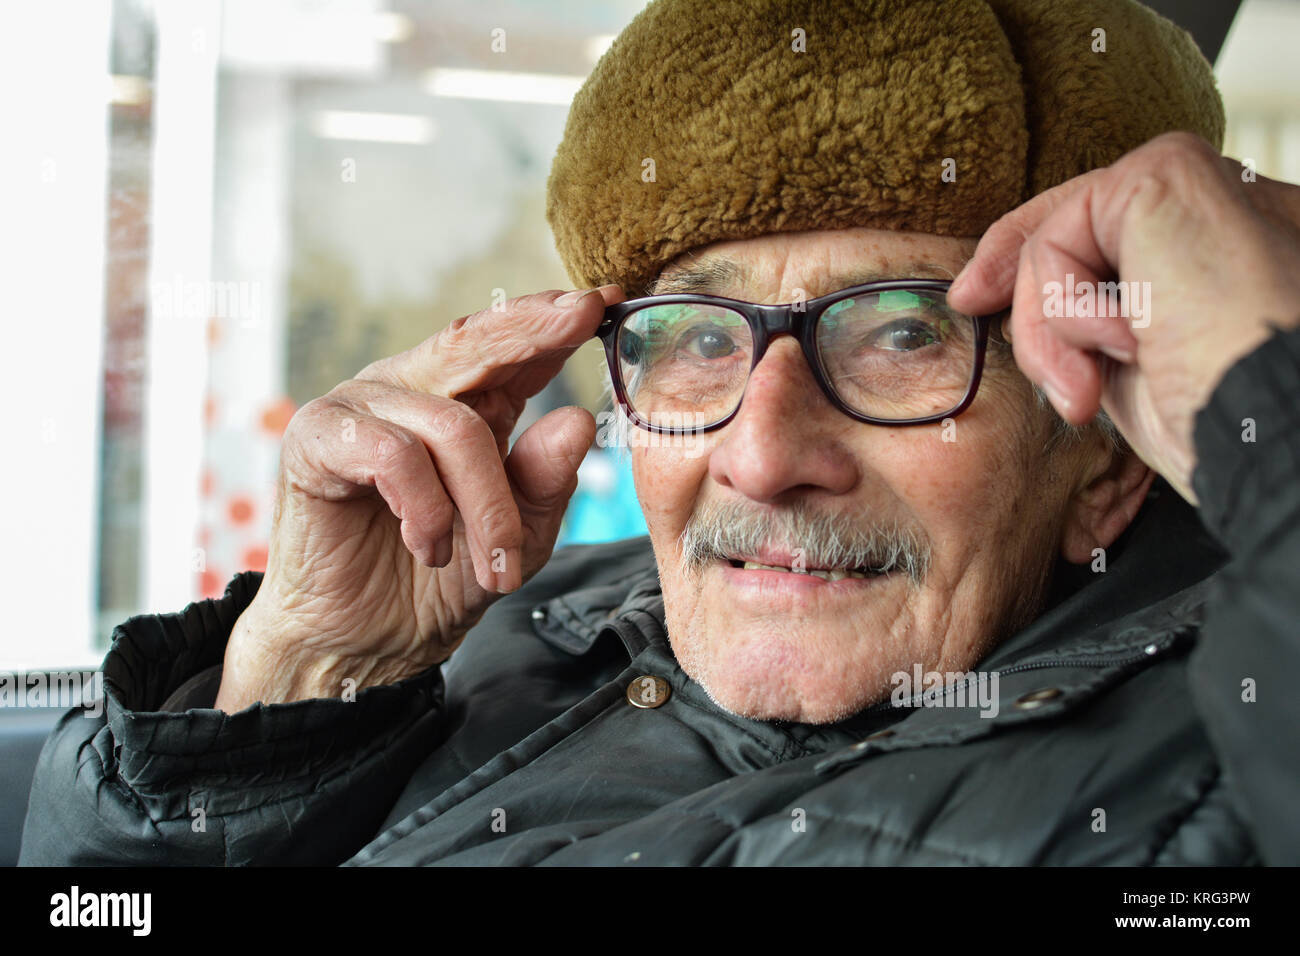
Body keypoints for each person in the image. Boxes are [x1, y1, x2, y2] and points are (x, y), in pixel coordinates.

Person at [21, 0, 1300, 865]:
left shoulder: (1224, 767)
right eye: (696, 336)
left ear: (1108, 455)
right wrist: (292, 686)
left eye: (904, 332)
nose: (759, 453)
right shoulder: (522, 622)